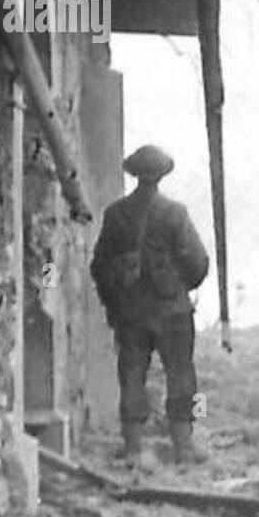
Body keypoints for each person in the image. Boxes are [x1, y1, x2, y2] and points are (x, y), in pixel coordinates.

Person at [90, 145, 210, 466]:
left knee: (131, 375)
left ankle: (132, 448)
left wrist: (113, 302)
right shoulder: (175, 213)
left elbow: (99, 267)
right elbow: (198, 263)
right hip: (173, 311)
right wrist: (181, 286)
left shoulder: (115, 215)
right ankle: (184, 447)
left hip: (131, 312)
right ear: (161, 176)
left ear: (134, 175)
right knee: (182, 375)